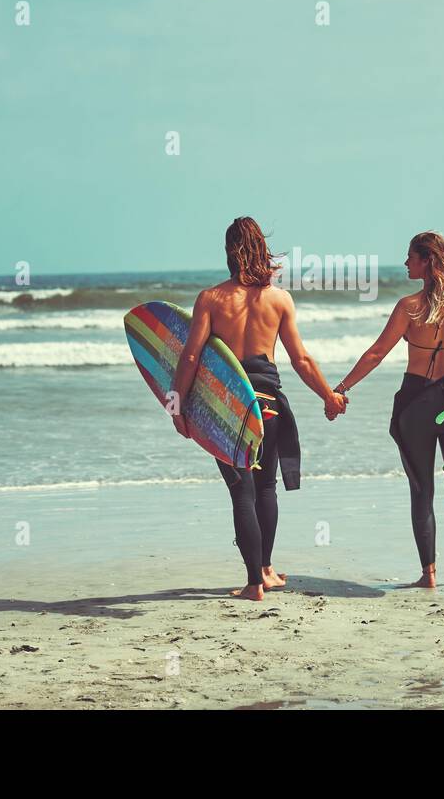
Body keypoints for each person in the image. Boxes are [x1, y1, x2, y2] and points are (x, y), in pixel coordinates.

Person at [170, 217, 348, 601]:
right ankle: (265, 570)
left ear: (229, 252)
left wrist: (177, 404)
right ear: (260, 250)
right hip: (268, 405)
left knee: (242, 492)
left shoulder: (211, 298)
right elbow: (300, 359)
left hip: (229, 407)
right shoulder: (279, 299)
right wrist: (328, 397)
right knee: (266, 487)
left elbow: (189, 358)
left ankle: (254, 583)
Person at [333, 231, 444, 588]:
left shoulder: (408, 307)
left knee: (421, 491)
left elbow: (375, 354)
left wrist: (341, 388)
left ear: (427, 261)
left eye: (411, 257)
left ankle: (428, 575)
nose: (405, 263)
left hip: (414, 405)